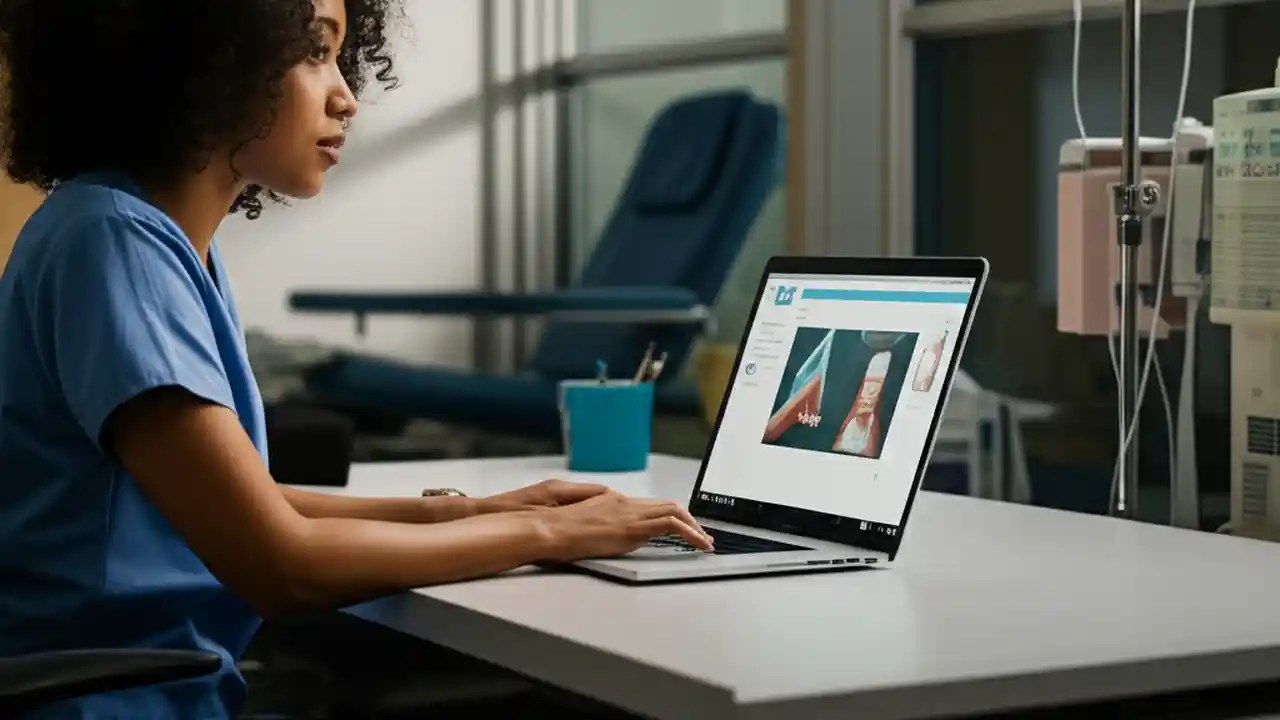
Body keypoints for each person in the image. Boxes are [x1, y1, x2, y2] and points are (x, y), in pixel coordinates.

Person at [0, 1, 713, 718]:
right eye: (314, 51)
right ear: (207, 57)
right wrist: (549, 533)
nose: (346, 94)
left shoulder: (146, 238)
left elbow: (250, 502)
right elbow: (281, 565)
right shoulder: (113, 244)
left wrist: (470, 512)